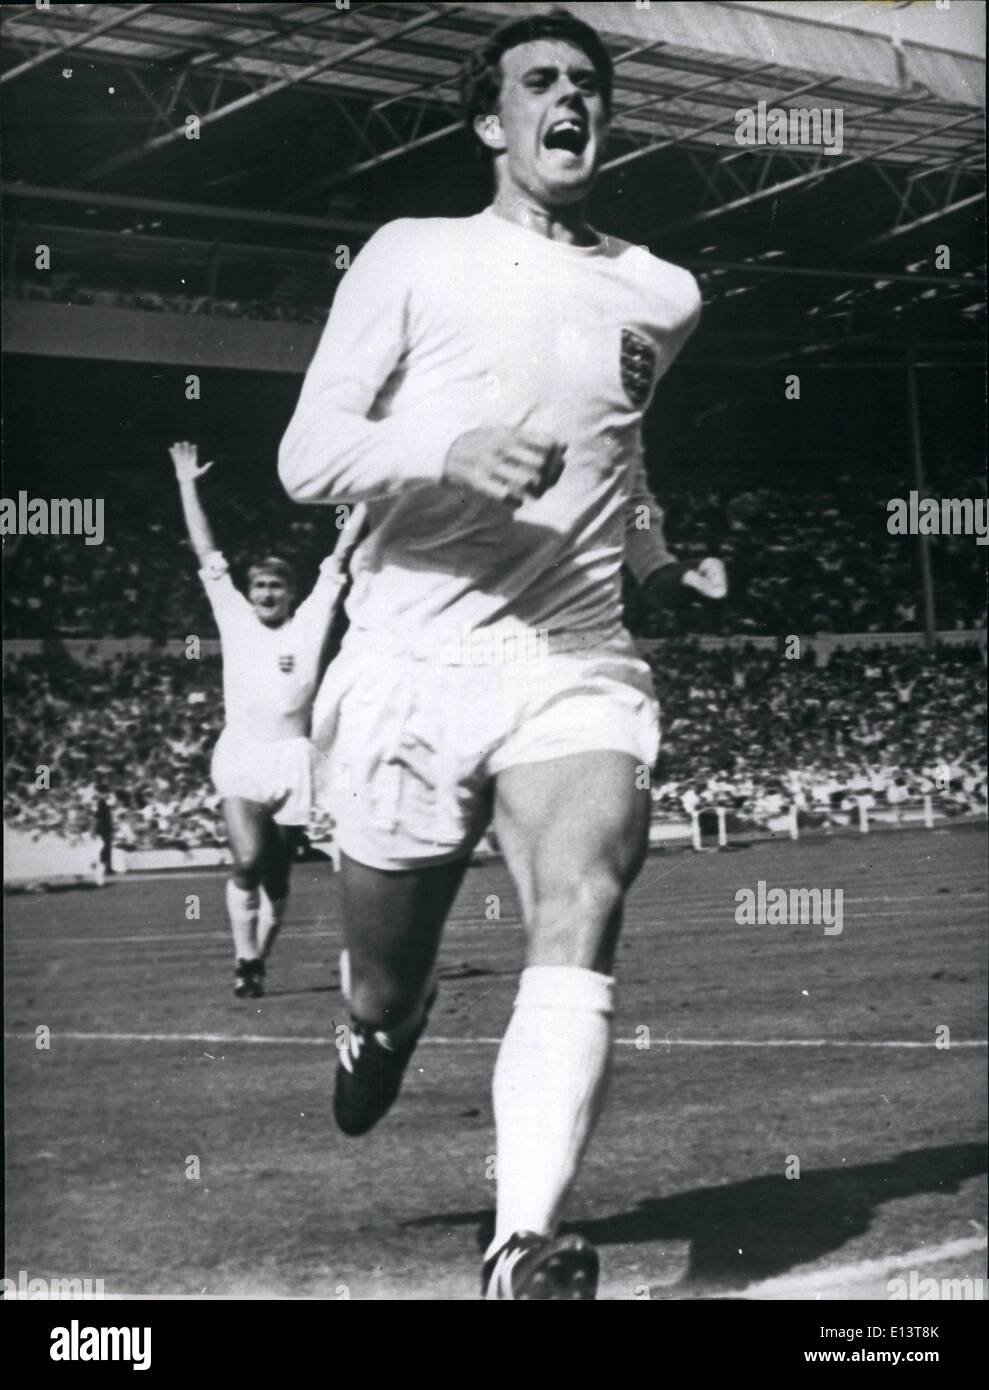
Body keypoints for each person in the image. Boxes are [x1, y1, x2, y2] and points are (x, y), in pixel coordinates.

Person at [279, 9, 726, 1299]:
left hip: (571, 654)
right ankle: (383, 1026)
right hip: (410, 660)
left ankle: (519, 1241)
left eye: (586, 82)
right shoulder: (411, 256)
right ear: (491, 123)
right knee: (386, 970)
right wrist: (443, 448)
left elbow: (619, 448)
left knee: (581, 901)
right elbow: (305, 457)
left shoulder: (661, 291)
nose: (568, 99)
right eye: (538, 82)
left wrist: (653, 557)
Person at [170, 441, 364, 998]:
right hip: (243, 755)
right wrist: (187, 484)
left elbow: (340, 558)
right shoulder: (233, 616)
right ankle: (244, 956)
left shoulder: (310, 622)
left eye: (276, 585)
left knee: (278, 879)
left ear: (290, 593)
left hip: (293, 758)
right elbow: (206, 553)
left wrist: (371, 498)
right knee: (249, 859)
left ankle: (258, 961)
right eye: (259, 585)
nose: (266, 592)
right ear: (249, 592)